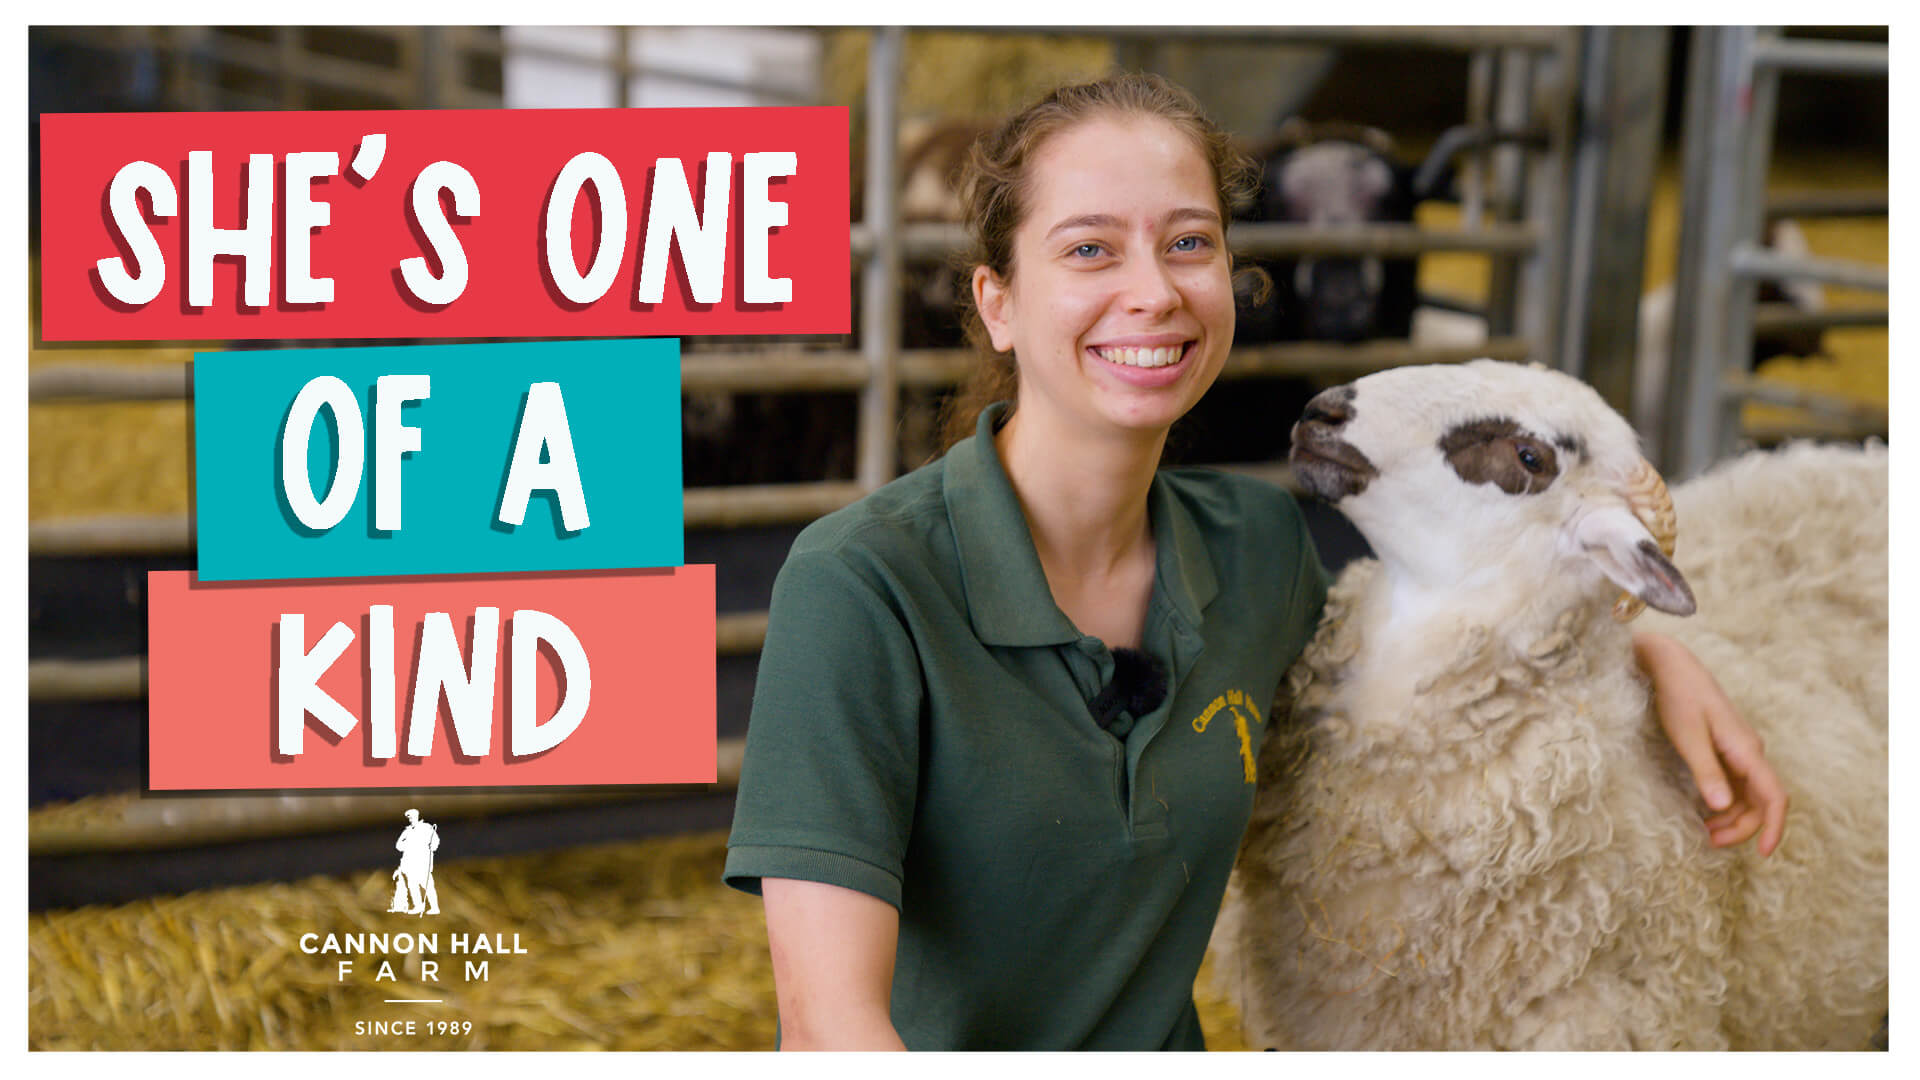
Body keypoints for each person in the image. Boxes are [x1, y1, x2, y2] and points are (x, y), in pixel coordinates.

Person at [722, 73, 1786, 1051]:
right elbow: (830, 1031)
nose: (1154, 292)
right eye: (1090, 249)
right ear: (997, 301)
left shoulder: (1259, 548)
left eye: (1189, 243)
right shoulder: (861, 587)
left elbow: (1446, 676)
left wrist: (1642, 650)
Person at [394, 808, 440, 916]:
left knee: (428, 886)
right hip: (410, 864)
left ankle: (434, 907)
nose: (410, 819)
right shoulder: (407, 831)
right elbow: (398, 845)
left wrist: (430, 847)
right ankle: (418, 906)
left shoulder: (426, 828)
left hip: (423, 863)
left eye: (412, 817)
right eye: (409, 817)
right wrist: (408, 846)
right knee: (413, 886)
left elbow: (436, 841)